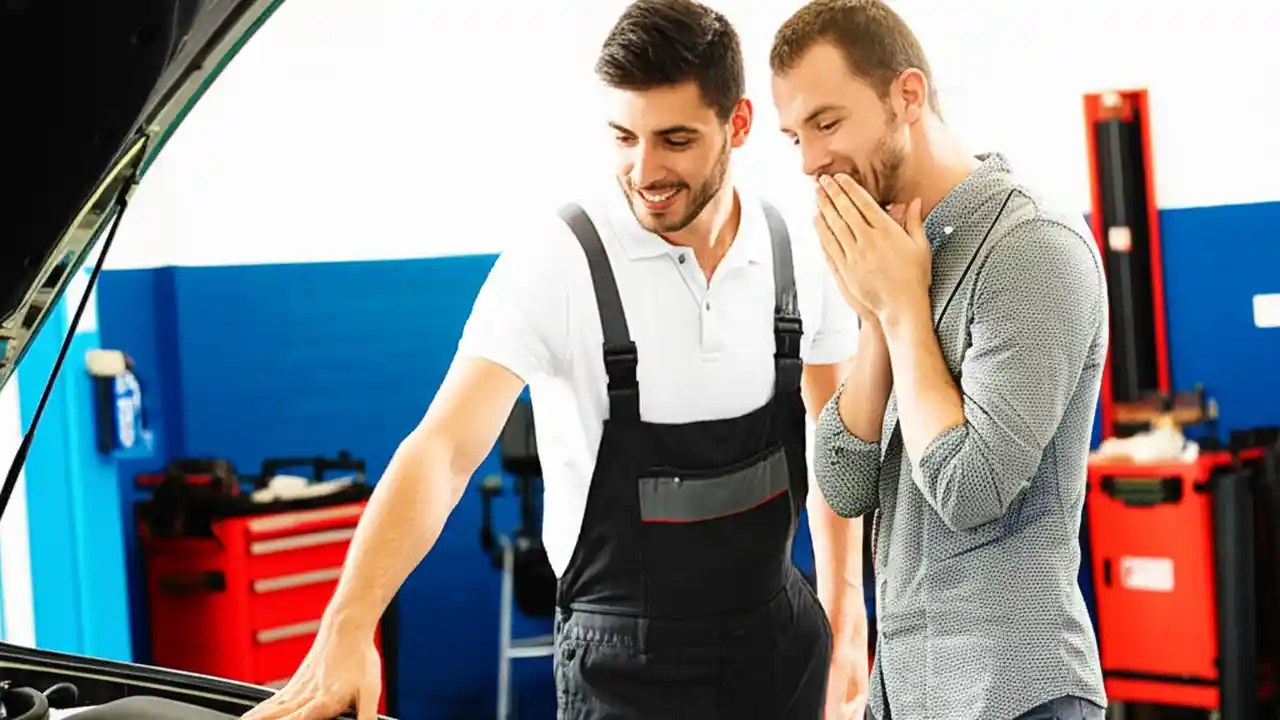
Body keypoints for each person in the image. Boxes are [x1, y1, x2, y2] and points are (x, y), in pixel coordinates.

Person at [241, 1, 872, 718]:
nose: (644, 169)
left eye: (674, 140)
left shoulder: (795, 256)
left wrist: (845, 614)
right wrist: (346, 626)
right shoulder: (560, 261)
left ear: (739, 125)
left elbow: (835, 446)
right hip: (626, 674)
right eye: (623, 137)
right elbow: (444, 450)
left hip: (779, 654)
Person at [766, 1, 1110, 719]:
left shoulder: (1031, 247)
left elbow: (968, 489)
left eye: (828, 124)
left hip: (1018, 698)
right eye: (795, 136)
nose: (809, 161)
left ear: (908, 97)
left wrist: (900, 311)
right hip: (904, 693)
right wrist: (873, 322)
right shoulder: (889, 253)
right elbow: (843, 482)